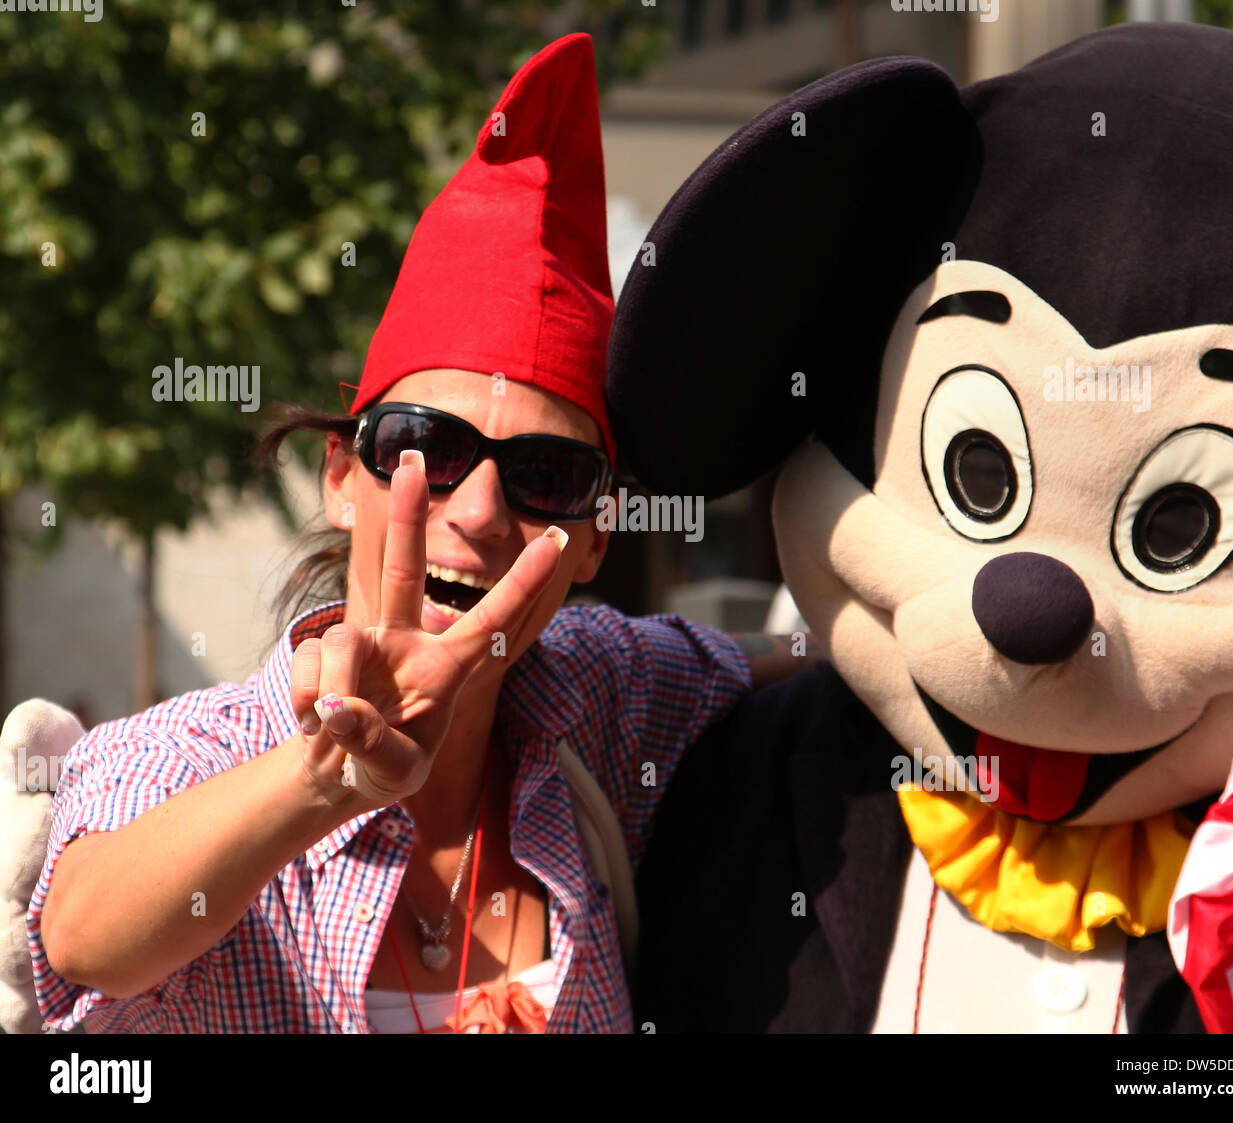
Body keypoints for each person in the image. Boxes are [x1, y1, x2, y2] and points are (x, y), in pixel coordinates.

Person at [27, 34, 773, 1035]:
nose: (478, 511)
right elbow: (83, 936)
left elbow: (834, 669)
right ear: (345, 476)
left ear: (594, 540)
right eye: (429, 446)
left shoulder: (613, 698)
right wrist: (321, 779)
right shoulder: (188, 751)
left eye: (548, 477)